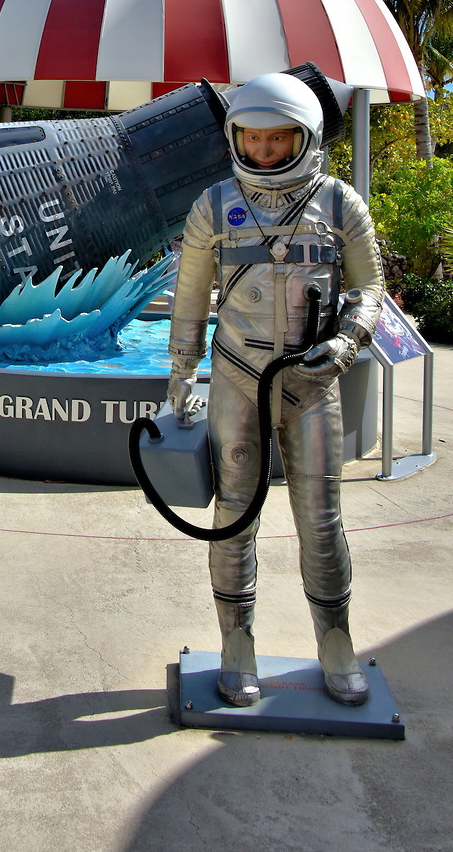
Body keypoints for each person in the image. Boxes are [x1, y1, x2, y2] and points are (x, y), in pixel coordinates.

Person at [167, 73, 384, 707]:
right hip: (237, 375)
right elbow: (189, 296)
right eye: (251, 138)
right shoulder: (214, 205)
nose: (262, 151)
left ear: (306, 137)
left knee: (321, 521)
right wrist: (181, 369)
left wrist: (347, 342)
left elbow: (370, 291)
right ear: (235, 136)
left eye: (277, 139)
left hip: (313, 381)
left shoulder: (340, 204)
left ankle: (335, 643)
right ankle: (237, 646)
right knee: (234, 516)